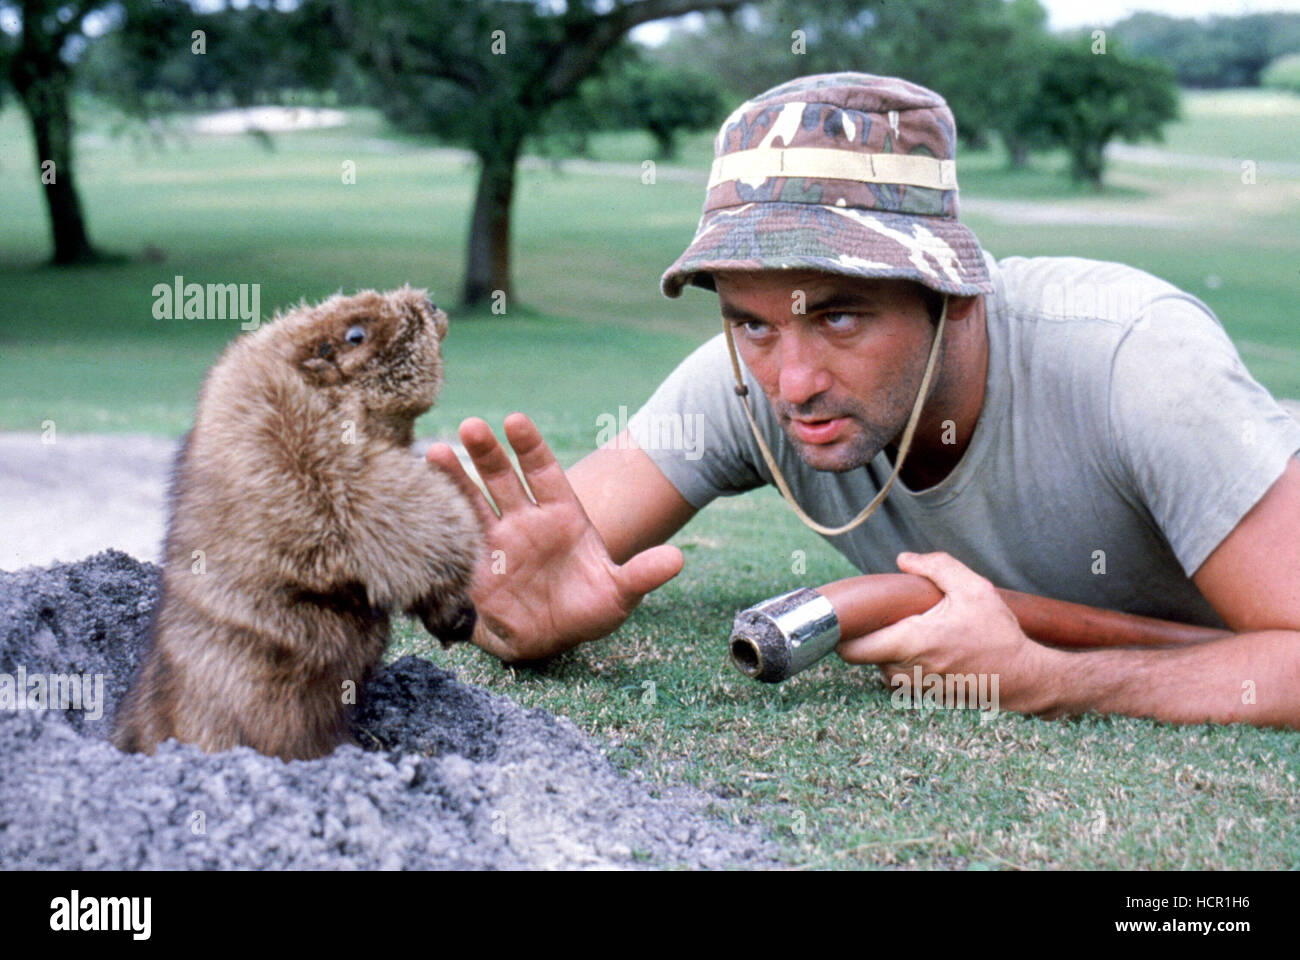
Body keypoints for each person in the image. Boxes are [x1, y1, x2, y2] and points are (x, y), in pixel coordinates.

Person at [426, 73, 1300, 728]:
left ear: (953, 291)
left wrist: (1056, 679)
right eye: (752, 324)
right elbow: (553, 553)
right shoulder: (749, 376)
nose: (792, 382)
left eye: (840, 315)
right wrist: (504, 611)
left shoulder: (1135, 362)